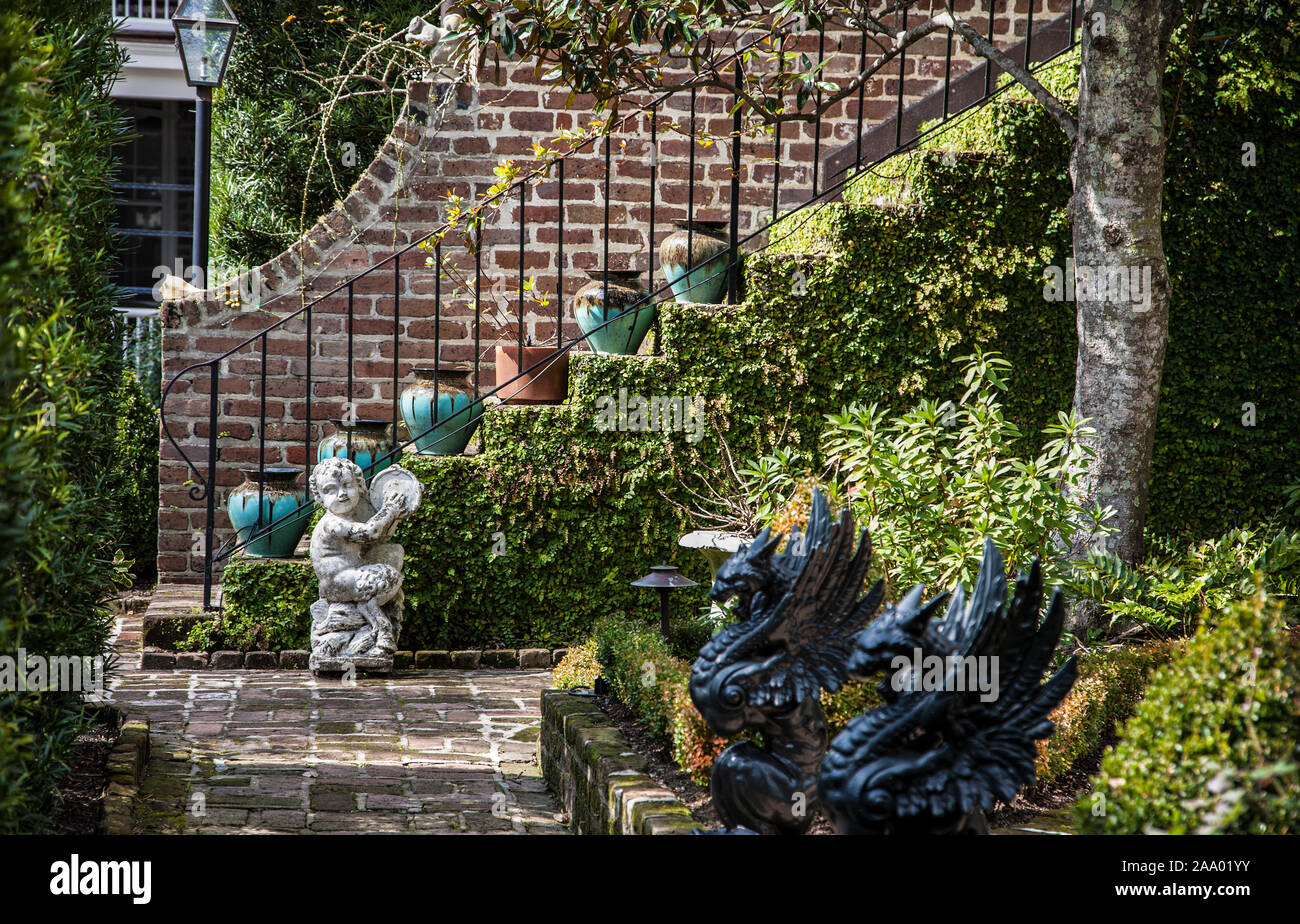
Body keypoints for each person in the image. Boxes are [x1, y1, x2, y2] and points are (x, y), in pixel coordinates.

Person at [308, 457, 408, 654]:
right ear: (319, 496)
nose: (342, 494)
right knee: (389, 577)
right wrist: (389, 510)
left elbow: (380, 536)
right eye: (331, 489)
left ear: (360, 486)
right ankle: (378, 626)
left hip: (351, 572)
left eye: (347, 485)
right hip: (339, 582)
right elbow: (371, 532)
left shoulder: (348, 516)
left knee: (393, 552)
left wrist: (394, 514)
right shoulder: (332, 524)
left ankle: (371, 613)